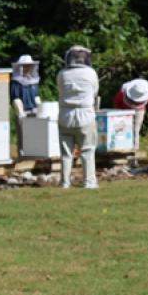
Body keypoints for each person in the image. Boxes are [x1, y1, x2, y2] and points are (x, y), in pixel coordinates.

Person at [56, 46, 99, 189]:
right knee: (87, 150)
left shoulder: (62, 74)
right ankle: (89, 182)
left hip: (65, 115)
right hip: (85, 114)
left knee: (66, 153)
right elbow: (95, 92)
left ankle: (64, 182)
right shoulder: (91, 73)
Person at [10, 54, 41, 157]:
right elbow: (15, 98)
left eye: (29, 66)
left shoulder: (32, 81)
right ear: (20, 67)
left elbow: (36, 97)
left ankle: (33, 154)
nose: (28, 68)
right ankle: (22, 156)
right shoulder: (16, 82)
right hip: (23, 112)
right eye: (26, 66)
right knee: (23, 136)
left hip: (33, 112)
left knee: (34, 136)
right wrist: (20, 113)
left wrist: (41, 110)